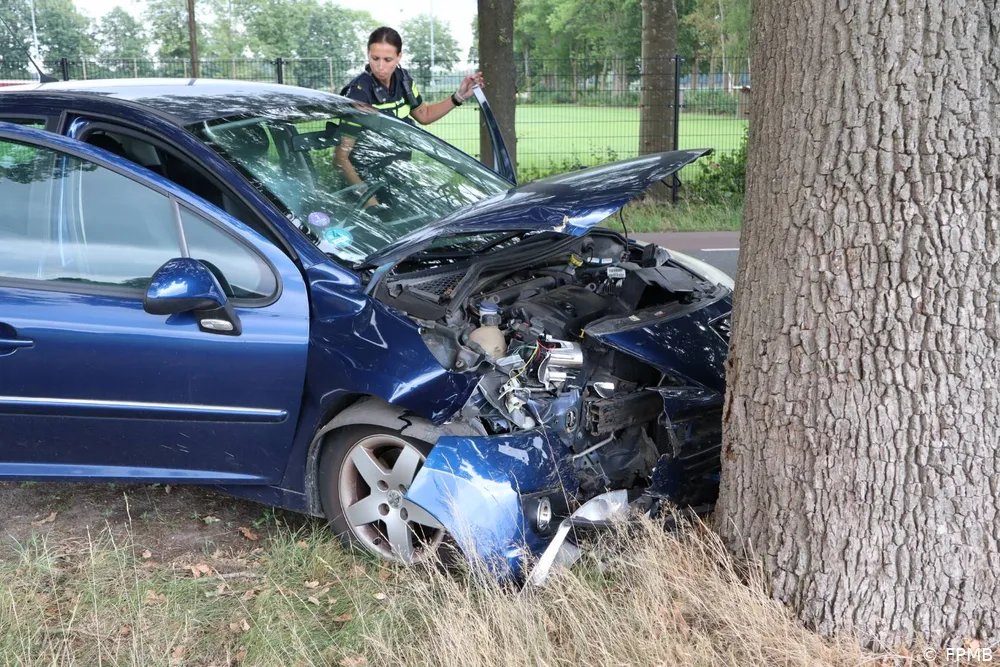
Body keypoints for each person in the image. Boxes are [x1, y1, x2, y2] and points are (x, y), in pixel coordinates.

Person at [335, 26, 484, 207]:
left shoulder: (404, 80)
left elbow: (424, 115)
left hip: (398, 180)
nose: (381, 66)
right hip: (364, 191)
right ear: (368, 55)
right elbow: (341, 158)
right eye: (375, 58)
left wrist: (458, 97)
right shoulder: (358, 93)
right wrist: (370, 203)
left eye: (388, 59)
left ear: (399, 57)